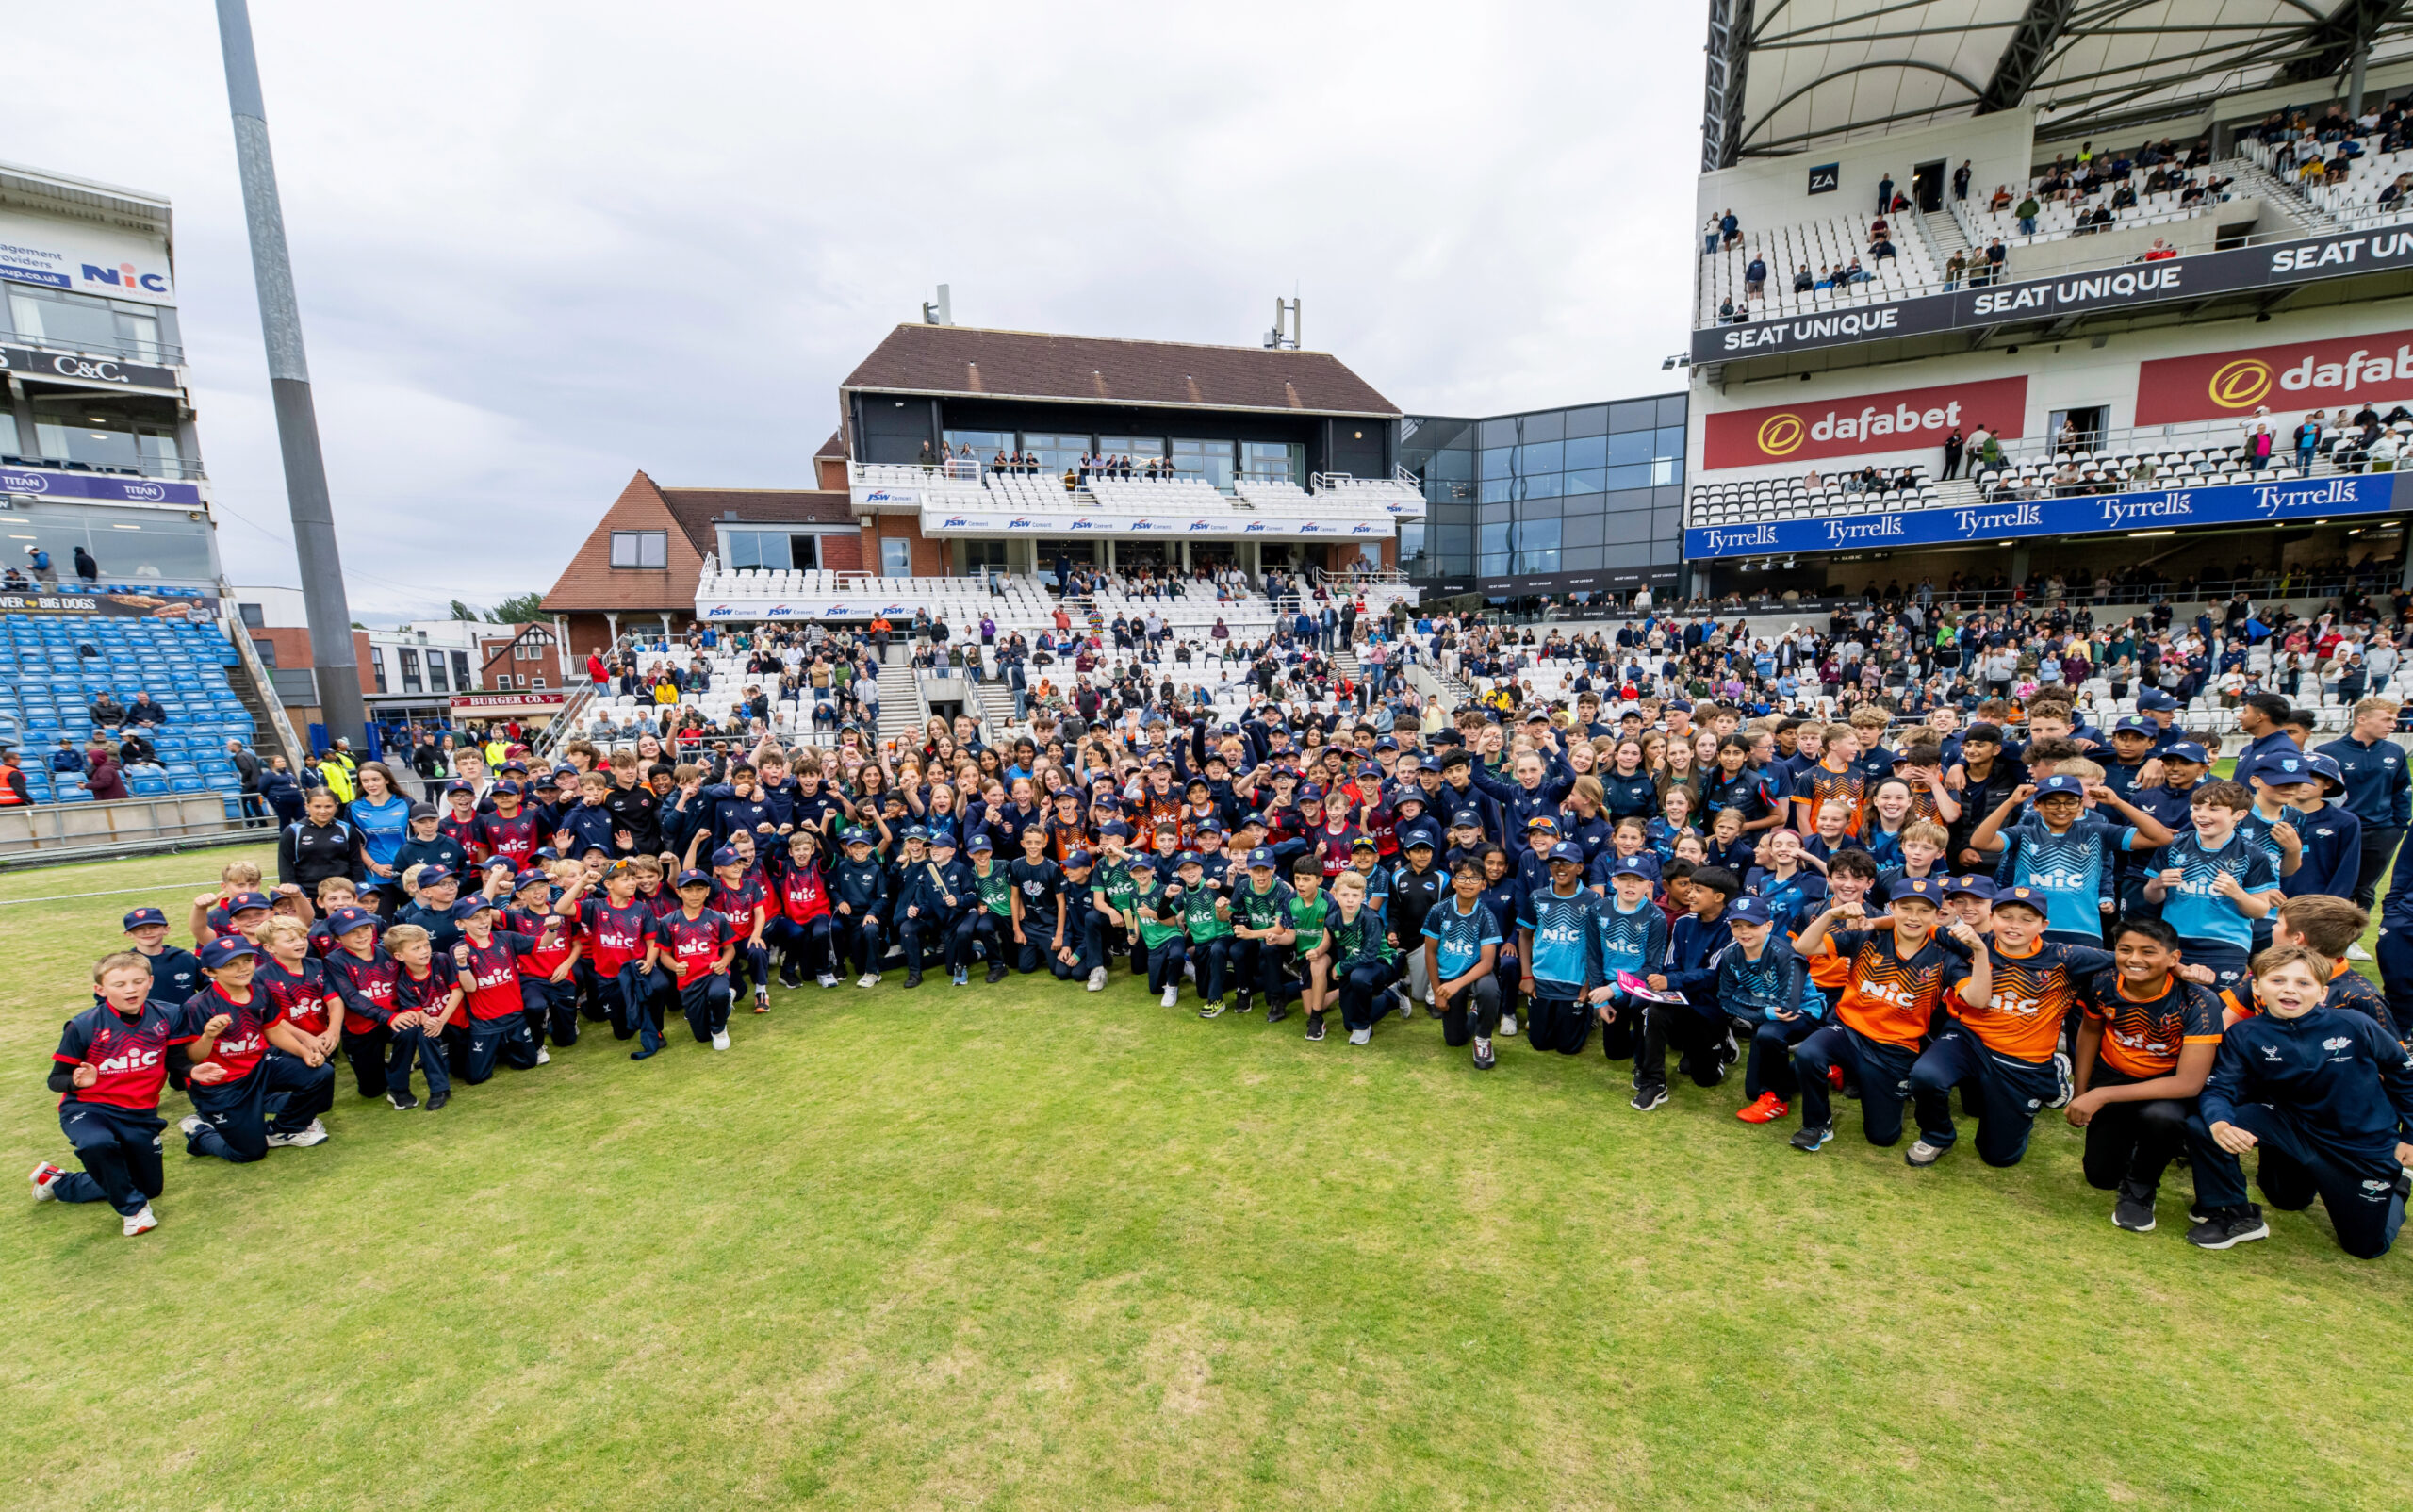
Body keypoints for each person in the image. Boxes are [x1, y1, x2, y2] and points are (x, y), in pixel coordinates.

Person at [2184, 945, 2413, 1255]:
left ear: (2322, 993)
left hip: (2360, 1145)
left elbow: (2404, 1076)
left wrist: (2410, 1136)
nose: (2290, 989)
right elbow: (2219, 1089)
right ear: (2257, 987)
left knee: (2366, 1248)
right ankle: (2236, 1214)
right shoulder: (2246, 1034)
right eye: (2277, 981)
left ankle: (2395, 1189)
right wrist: (2220, 1123)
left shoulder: (2354, 1025)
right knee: (2208, 1127)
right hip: (2291, 1127)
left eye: (2303, 983)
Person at [1790, 879, 1974, 1152]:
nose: (1913, 916)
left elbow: (1976, 994)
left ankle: (1892, 1088)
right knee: (1808, 1053)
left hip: (1895, 1047)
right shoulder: (1867, 936)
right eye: (1905, 908)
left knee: (1882, 1137)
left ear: (1937, 914)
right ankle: (1817, 1124)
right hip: (1849, 1031)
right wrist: (1829, 914)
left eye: (1924, 910)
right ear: (1892, 908)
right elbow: (1803, 947)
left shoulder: (1946, 954)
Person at [31, 952, 190, 1236]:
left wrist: (194, 1071)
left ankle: (57, 1182)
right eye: (119, 984)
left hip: (140, 1113)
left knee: (149, 1188)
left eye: (137, 981)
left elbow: (177, 1061)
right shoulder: (83, 1026)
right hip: (90, 1109)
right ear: (100, 990)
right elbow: (55, 1079)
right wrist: (77, 1082)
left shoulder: (169, 1014)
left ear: (150, 982)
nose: (130, 990)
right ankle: (133, 1212)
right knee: (97, 1144)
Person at [174, 937, 337, 1163]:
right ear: (209, 971)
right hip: (221, 1085)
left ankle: (283, 1129)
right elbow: (193, 1057)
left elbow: (273, 1031)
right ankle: (200, 1131)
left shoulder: (260, 991)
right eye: (230, 965)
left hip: (258, 1068)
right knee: (250, 1153)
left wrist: (304, 1052)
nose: (242, 968)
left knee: (321, 1073)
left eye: (247, 960)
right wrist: (208, 1036)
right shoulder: (197, 1006)